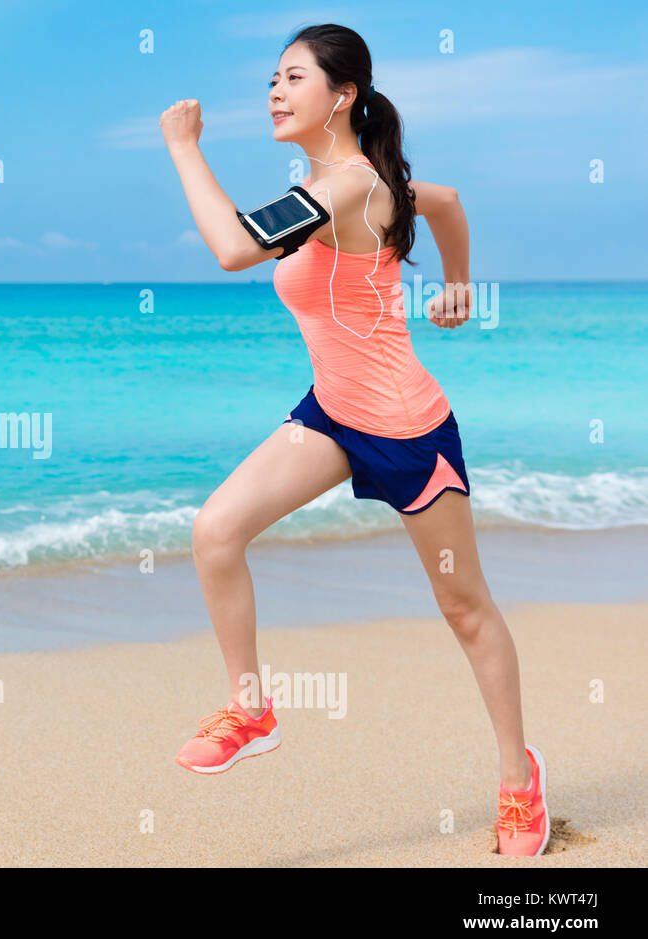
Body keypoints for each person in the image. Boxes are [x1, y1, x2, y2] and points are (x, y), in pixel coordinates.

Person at [158, 23, 548, 856]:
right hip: (333, 415)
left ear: (341, 96)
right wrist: (455, 285)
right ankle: (252, 709)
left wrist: (184, 148)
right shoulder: (349, 182)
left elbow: (232, 247)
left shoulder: (346, 187)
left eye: (292, 77)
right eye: (271, 76)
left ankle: (519, 783)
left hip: (407, 428)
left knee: (465, 608)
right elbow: (442, 201)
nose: (273, 90)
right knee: (215, 531)